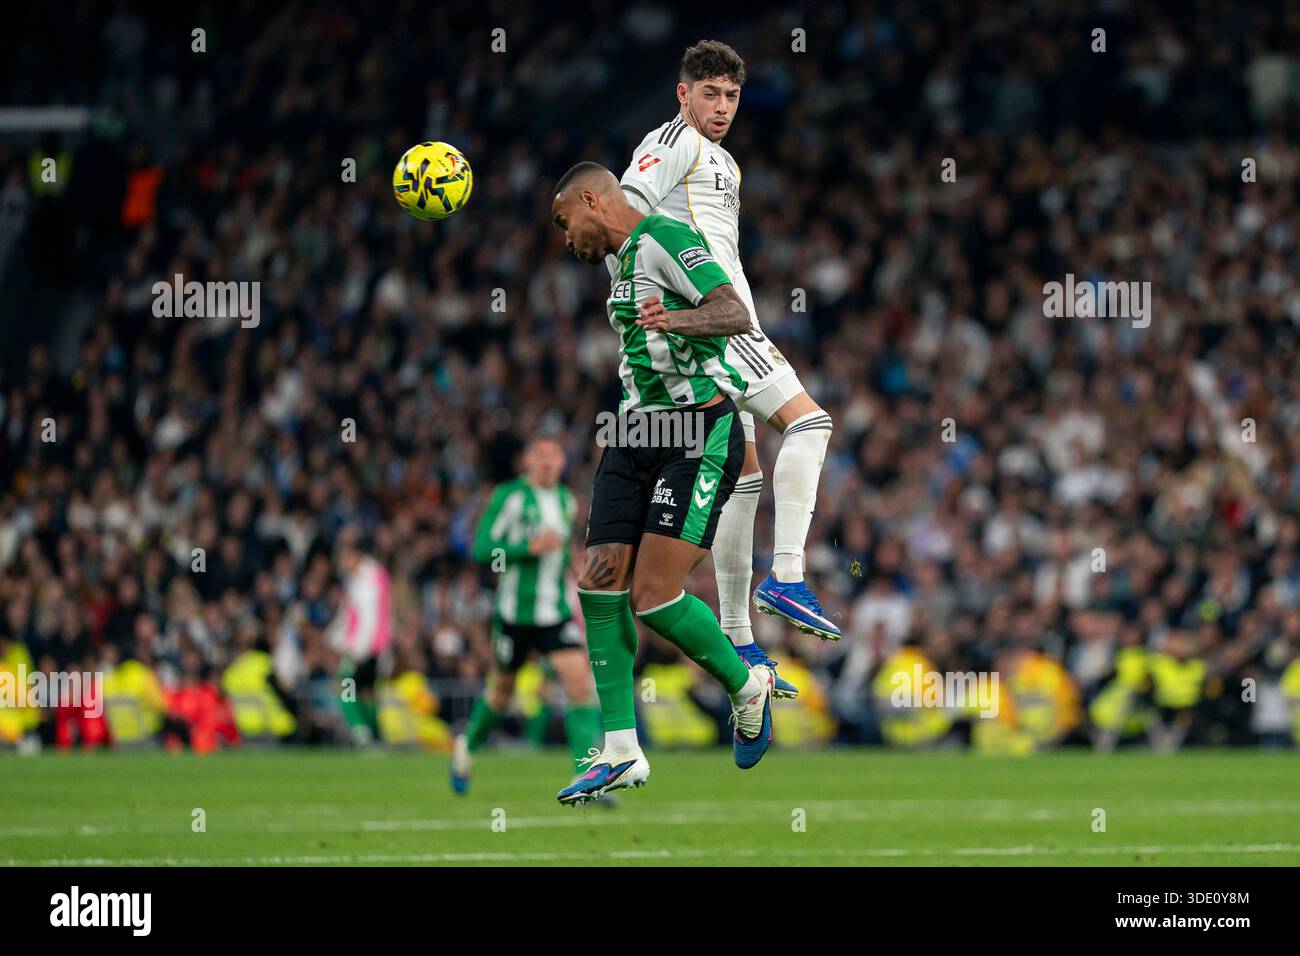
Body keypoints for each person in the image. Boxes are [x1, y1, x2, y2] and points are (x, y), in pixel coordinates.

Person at [612, 40, 841, 705]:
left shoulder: (723, 161)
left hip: (709, 324)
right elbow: (626, 205)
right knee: (812, 423)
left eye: (730, 95)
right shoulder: (674, 140)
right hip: (716, 322)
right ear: (682, 95)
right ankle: (789, 576)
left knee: (743, 474)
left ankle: (739, 638)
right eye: (708, 93)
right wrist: (638, 295)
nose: (720, 107)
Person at [550, 161, 776, 806]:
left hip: (697, 430)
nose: (568, 241)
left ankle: (746, 685)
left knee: (653, 596)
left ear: (593, 200)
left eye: (568, 223)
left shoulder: (666, 240)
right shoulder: (619, 260)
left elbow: (733, 311)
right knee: (597, 582)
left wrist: (673, 321)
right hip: (632, 436)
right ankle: (622, 750)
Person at [451, 435, 600, 794]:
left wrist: (573, 566)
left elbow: (561, 552)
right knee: (502, 692)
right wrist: (525, 548)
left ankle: (584, 773)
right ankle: (466, 747)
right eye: (541, 456)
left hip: (554, 613)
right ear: (528, 461)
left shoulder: (566, 502)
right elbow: (480, 549)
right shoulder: (509, 497)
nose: (548, 462)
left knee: (579, 683)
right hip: (514, 615)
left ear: (563, 461)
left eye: (554, 455)